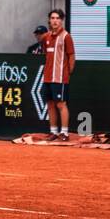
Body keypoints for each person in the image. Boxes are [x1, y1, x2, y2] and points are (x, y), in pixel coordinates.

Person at [41, 8, 75, 141]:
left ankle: (65, 133)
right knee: (50, 104)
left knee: (61, 104)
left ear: (61, 20)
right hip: (47, 77)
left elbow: (72, 56)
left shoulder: (66, 36)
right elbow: (46, 53)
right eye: (53, 18)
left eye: (57, 18)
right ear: (49, 21)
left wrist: (68, 72)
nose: (55, 21)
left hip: (60, 77)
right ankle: (53, 131)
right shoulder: (46, 37)